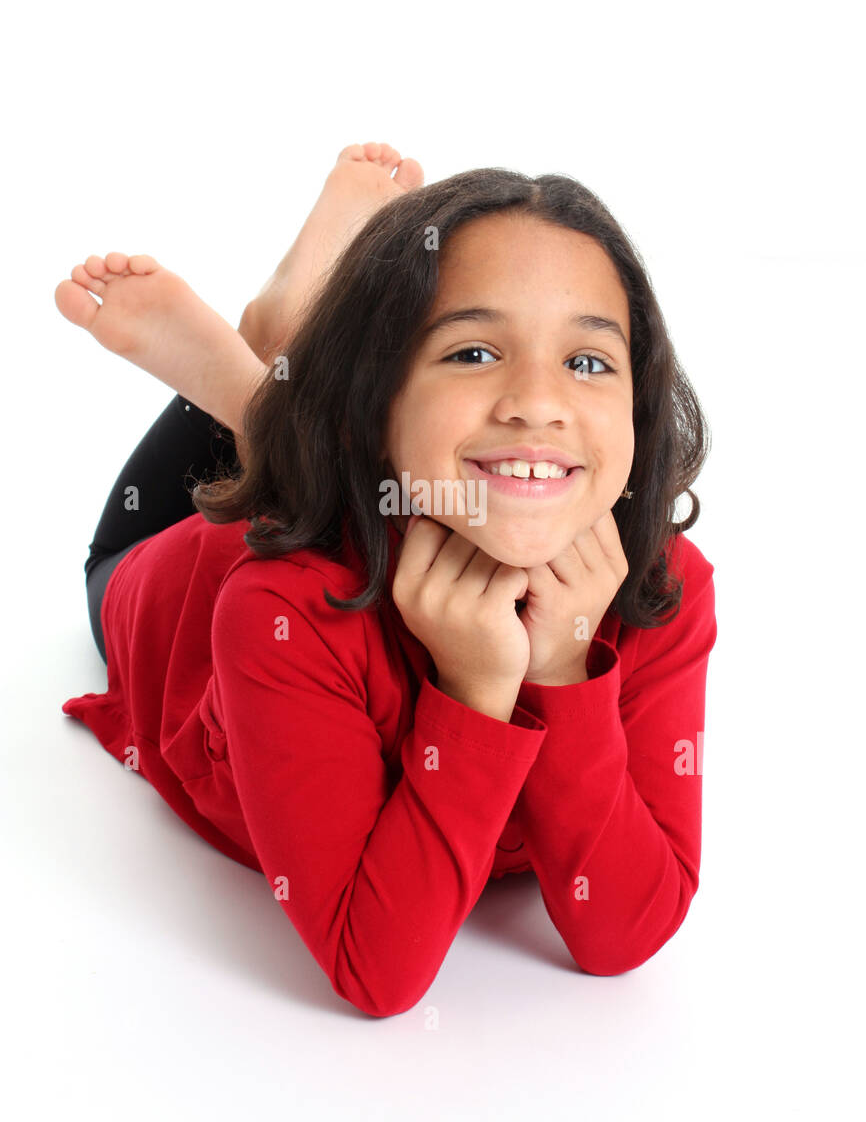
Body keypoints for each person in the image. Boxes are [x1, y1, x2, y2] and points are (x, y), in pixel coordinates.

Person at [57, 142, 718, 1019]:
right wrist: (475, 694)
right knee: (143, 553)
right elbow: (376, 973)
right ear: (380, 401)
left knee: (325, 461)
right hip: (177, 574)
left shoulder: (664, 586)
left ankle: (279, 394)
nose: (537, 403)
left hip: (379, 468)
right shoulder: (282, 608)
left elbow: (626, 934)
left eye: (588, 362)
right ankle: (273, 379)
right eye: (473, 352)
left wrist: (562, 668)